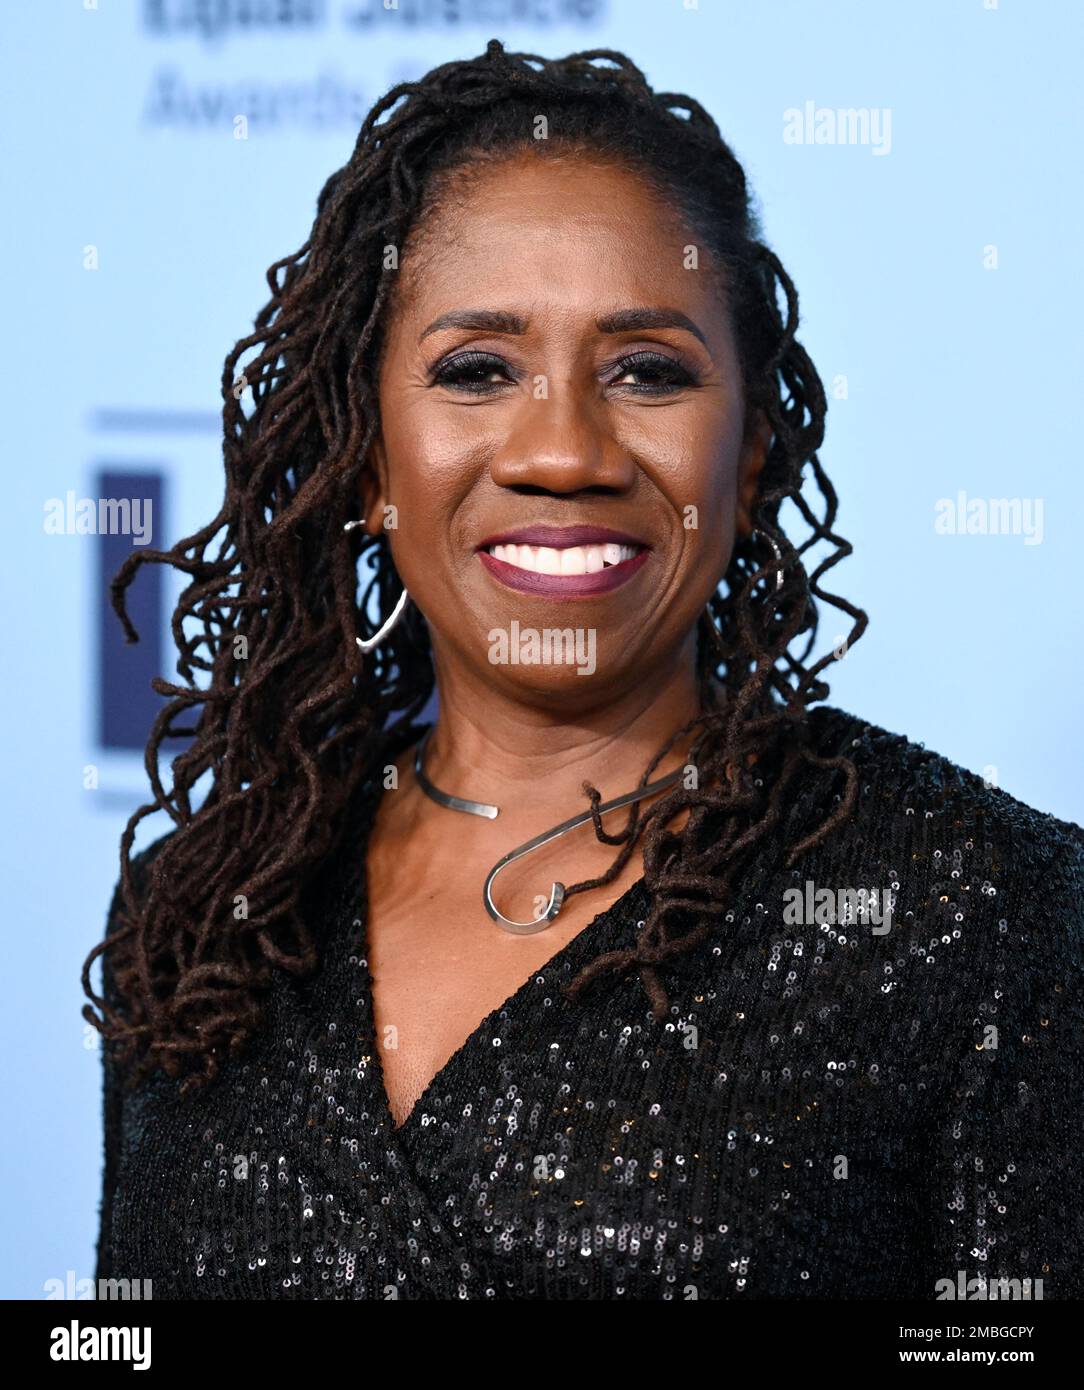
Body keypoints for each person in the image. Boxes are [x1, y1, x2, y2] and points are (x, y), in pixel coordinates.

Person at [84, 39, 1083, 1300]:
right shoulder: (205, 919)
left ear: (755, 455)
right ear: (371, 456)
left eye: (647, 372)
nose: (562, 450)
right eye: (478, 370)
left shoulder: (984, 906)